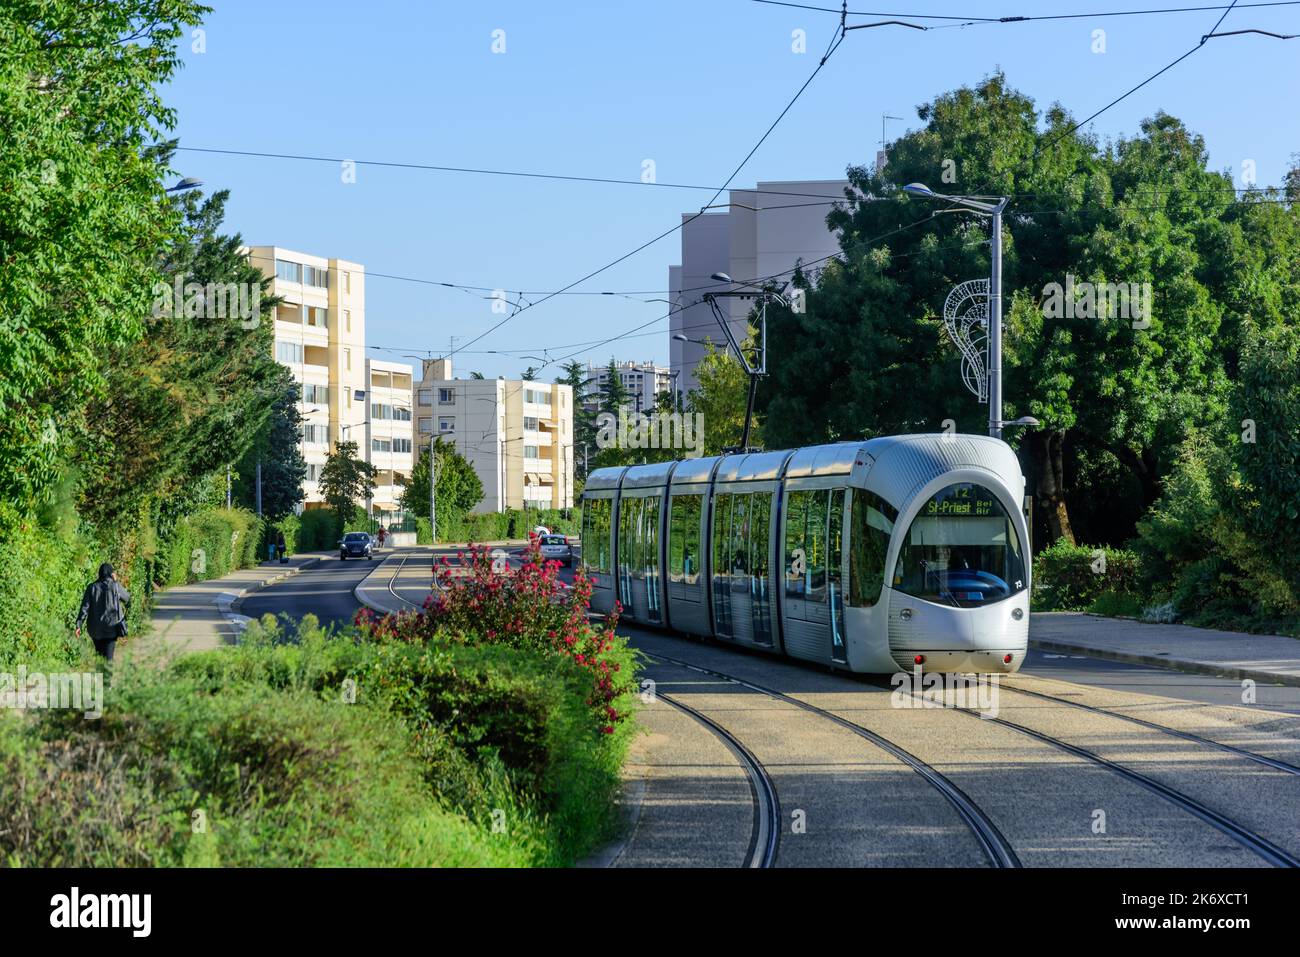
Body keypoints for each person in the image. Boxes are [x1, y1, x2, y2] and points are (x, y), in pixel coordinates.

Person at [75, 563, 131, 661]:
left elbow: (84, 608)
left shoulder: (91, 587)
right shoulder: (115, 586)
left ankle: (101, 674)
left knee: (100, 657)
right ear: (111, 573)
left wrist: (79, 625)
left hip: (95, 630)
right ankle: (106, 675)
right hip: (111, 628)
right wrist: (116, 581)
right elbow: (126, 598)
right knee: (109, 659)